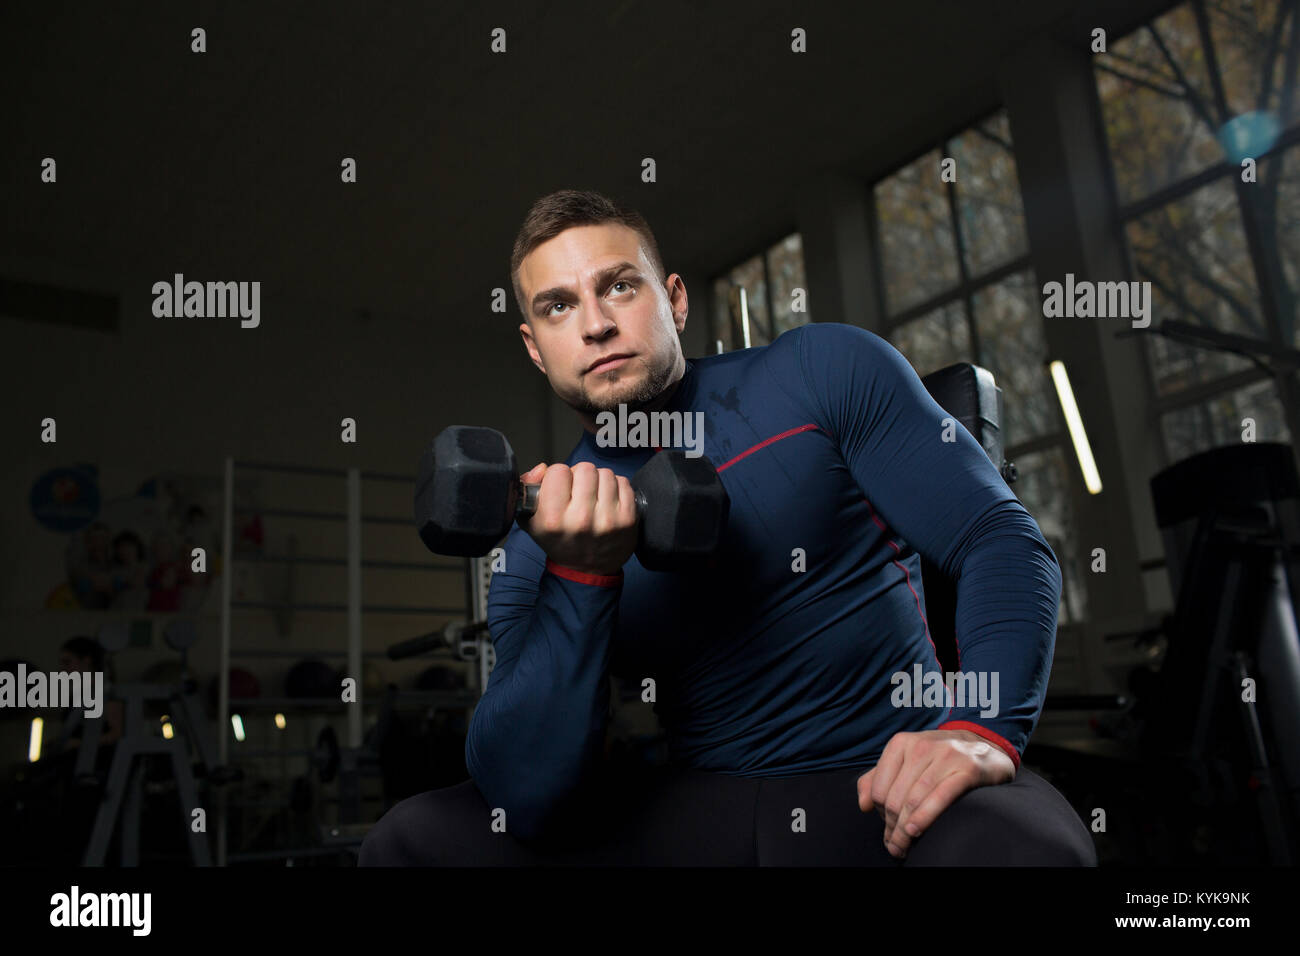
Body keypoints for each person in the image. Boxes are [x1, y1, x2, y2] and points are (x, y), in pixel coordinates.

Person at [360, 189, 1096, 866]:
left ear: (674, 300)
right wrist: (582, 575)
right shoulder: (540, 531)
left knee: (1021, 850)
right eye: (557, 307)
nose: (595, 323)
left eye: (619, 285)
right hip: (705, 799)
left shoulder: (819, 373)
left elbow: (999, 539)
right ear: (533, 346)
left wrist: (979, 728)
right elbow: (523, 793)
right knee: (416, 843)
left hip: (886, 775)